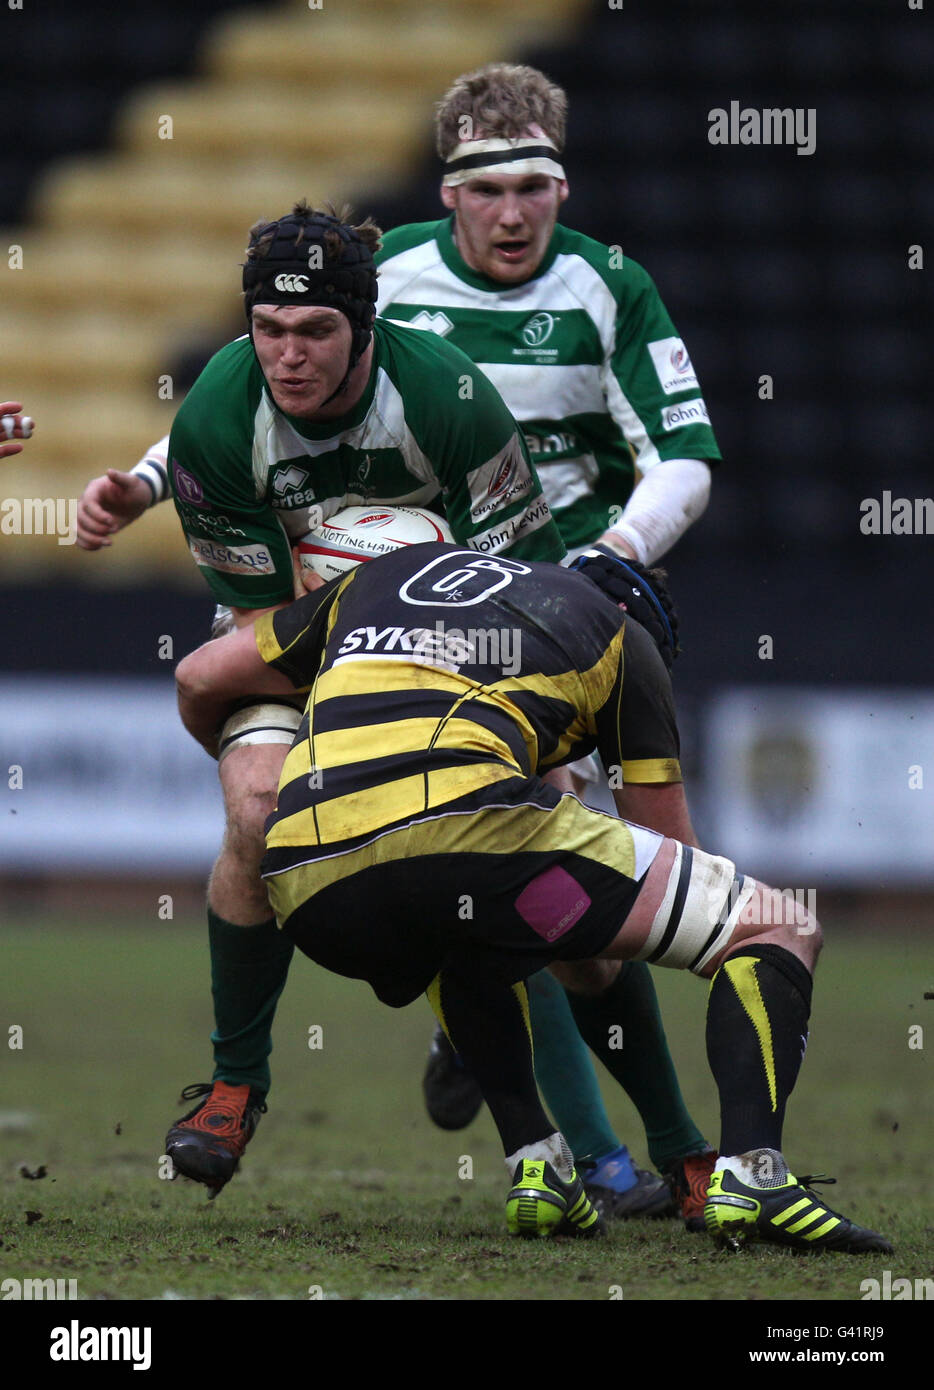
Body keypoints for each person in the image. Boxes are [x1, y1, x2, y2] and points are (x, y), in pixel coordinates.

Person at [171, 538, 891, 1253]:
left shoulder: (384, 575)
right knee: (771, 927)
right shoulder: (621, 634)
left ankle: (538, 1168)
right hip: (474, 836)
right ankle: (753, 1175)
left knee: (468, 940)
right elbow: (674, 853)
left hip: (306, 878)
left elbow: (201, 676)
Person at [80, 201, 567, 1196]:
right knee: (259, 814)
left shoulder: (450, 396)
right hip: (284, 645)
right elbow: (268, 630)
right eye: (268, 329)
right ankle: (233, 1085)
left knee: (522, 828)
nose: (287, 354)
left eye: (314, 331)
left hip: (449, 652)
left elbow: (527, 590)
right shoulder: (218, 411)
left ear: (363, 328)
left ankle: (580, 1104)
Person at [374, 62, 722, 1222]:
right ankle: (631, 1161)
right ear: (449, 190)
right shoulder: (380, 283)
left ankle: (494, 1034)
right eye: (489, 188)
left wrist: (613, 553)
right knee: (527, 868)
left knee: (587, 924)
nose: (514, 213)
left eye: (536, 185)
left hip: (568, 606)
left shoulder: (611, 286)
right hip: (422, 616)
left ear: (560, 185)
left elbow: (684, 453)